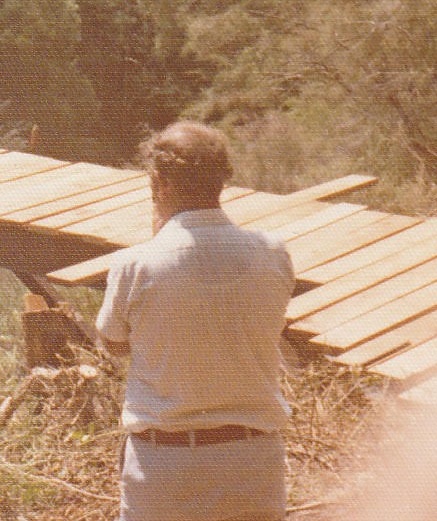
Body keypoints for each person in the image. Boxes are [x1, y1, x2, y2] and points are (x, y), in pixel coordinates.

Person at [97, 121, 294, 521]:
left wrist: (158, 237)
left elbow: (113, 344)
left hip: (165, 462)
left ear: (161, 183)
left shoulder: (136, 264)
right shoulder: (273, 252)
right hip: (252, 457)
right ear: (221, 180)